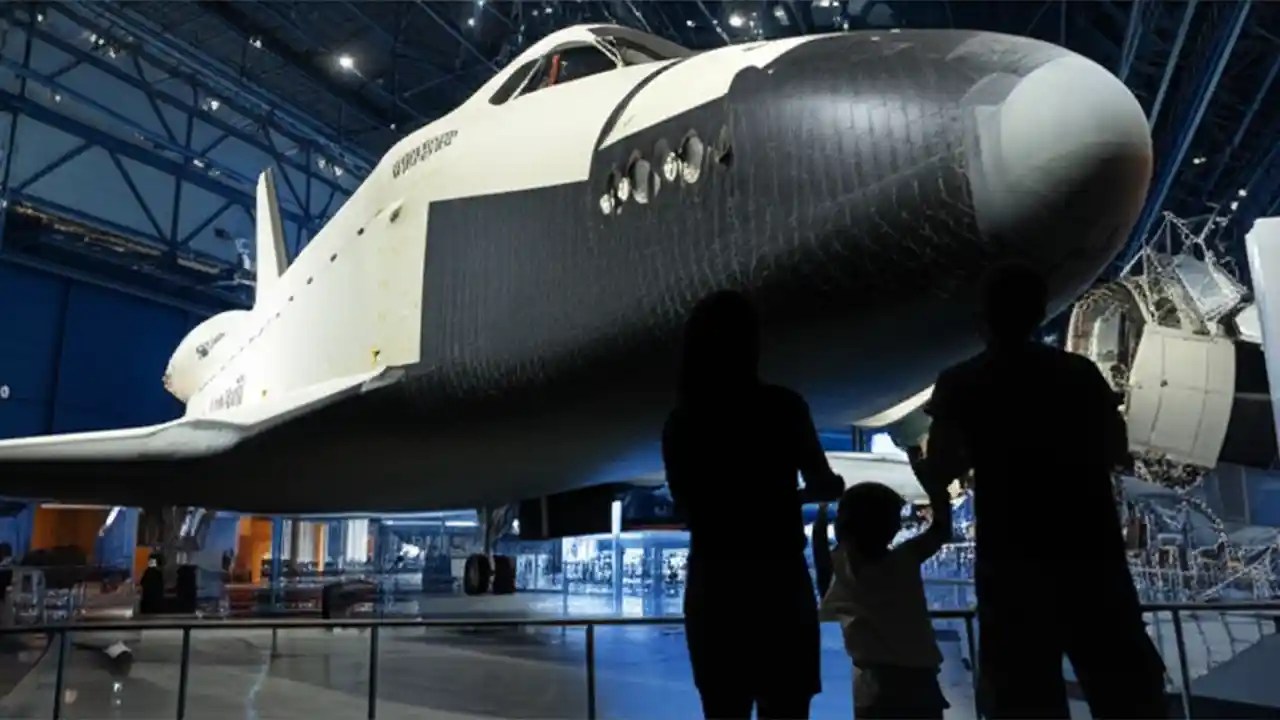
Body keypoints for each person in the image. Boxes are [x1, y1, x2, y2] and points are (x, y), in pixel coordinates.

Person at [918, 261, 1167, 719]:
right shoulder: (1080, 374)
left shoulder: (963, 382)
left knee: (1022, 696)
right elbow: (1116, 446)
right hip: (1092, 558)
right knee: (1127, 691)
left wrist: (933, 485)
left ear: (982, 316)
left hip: (1012, 567)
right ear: (1040, 313)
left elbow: (943, 466)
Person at [663, 290, 844, 720]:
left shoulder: (682, 422)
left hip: (715, 587)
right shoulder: (784, 407)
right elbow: (825, 484)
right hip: (779, 584)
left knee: (723, 708)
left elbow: (686, 507)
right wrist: (787, 497)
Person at [821, 446, 953, 719]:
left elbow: (825, 558)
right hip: (918, 685)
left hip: (872, 688)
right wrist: (933, 484)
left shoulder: (843, 568)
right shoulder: (903, 561)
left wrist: (823, 507)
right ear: (890, 526)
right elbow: (942, 528)